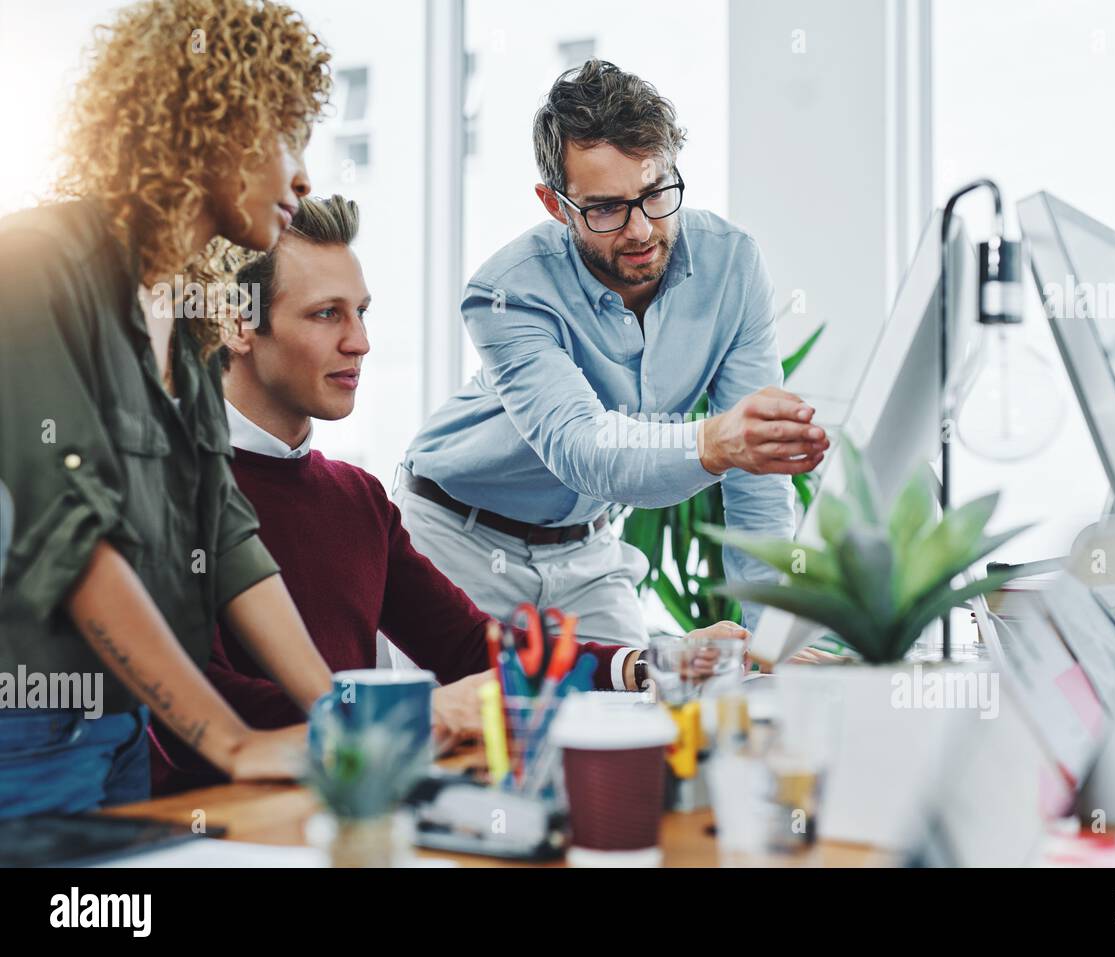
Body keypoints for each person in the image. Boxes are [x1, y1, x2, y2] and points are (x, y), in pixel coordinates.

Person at [150, 194, 746, 794]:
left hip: (351, 807)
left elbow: (469, 648)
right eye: (326, 315)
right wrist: (418, 715)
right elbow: (197, 707)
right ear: (237, 325)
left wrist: (643, 664)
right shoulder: (166, 493)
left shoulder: (355, 498)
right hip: (224, 826)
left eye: (361, 312)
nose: (360, 342)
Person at [0, 0, 338, 817]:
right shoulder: (33, 265)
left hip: (121, 730)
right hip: (25, 734)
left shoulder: (184, 325)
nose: (303, 177)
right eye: (287, 132)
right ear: (215, 121)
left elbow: (221, 533)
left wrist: (343, 718)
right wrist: (229, 739)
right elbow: (69, 531)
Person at [398, 59, 828, 649]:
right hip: (459, 540)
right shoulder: (505, 292)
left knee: (642, 716)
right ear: (555, 205)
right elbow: (583, 449)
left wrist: (776, 646)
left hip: (586, 549)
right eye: (605, 208)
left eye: (656, 195)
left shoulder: (734, 265)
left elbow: (757, 482)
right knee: (464, 730)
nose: (641, 230)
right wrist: (713, 442)